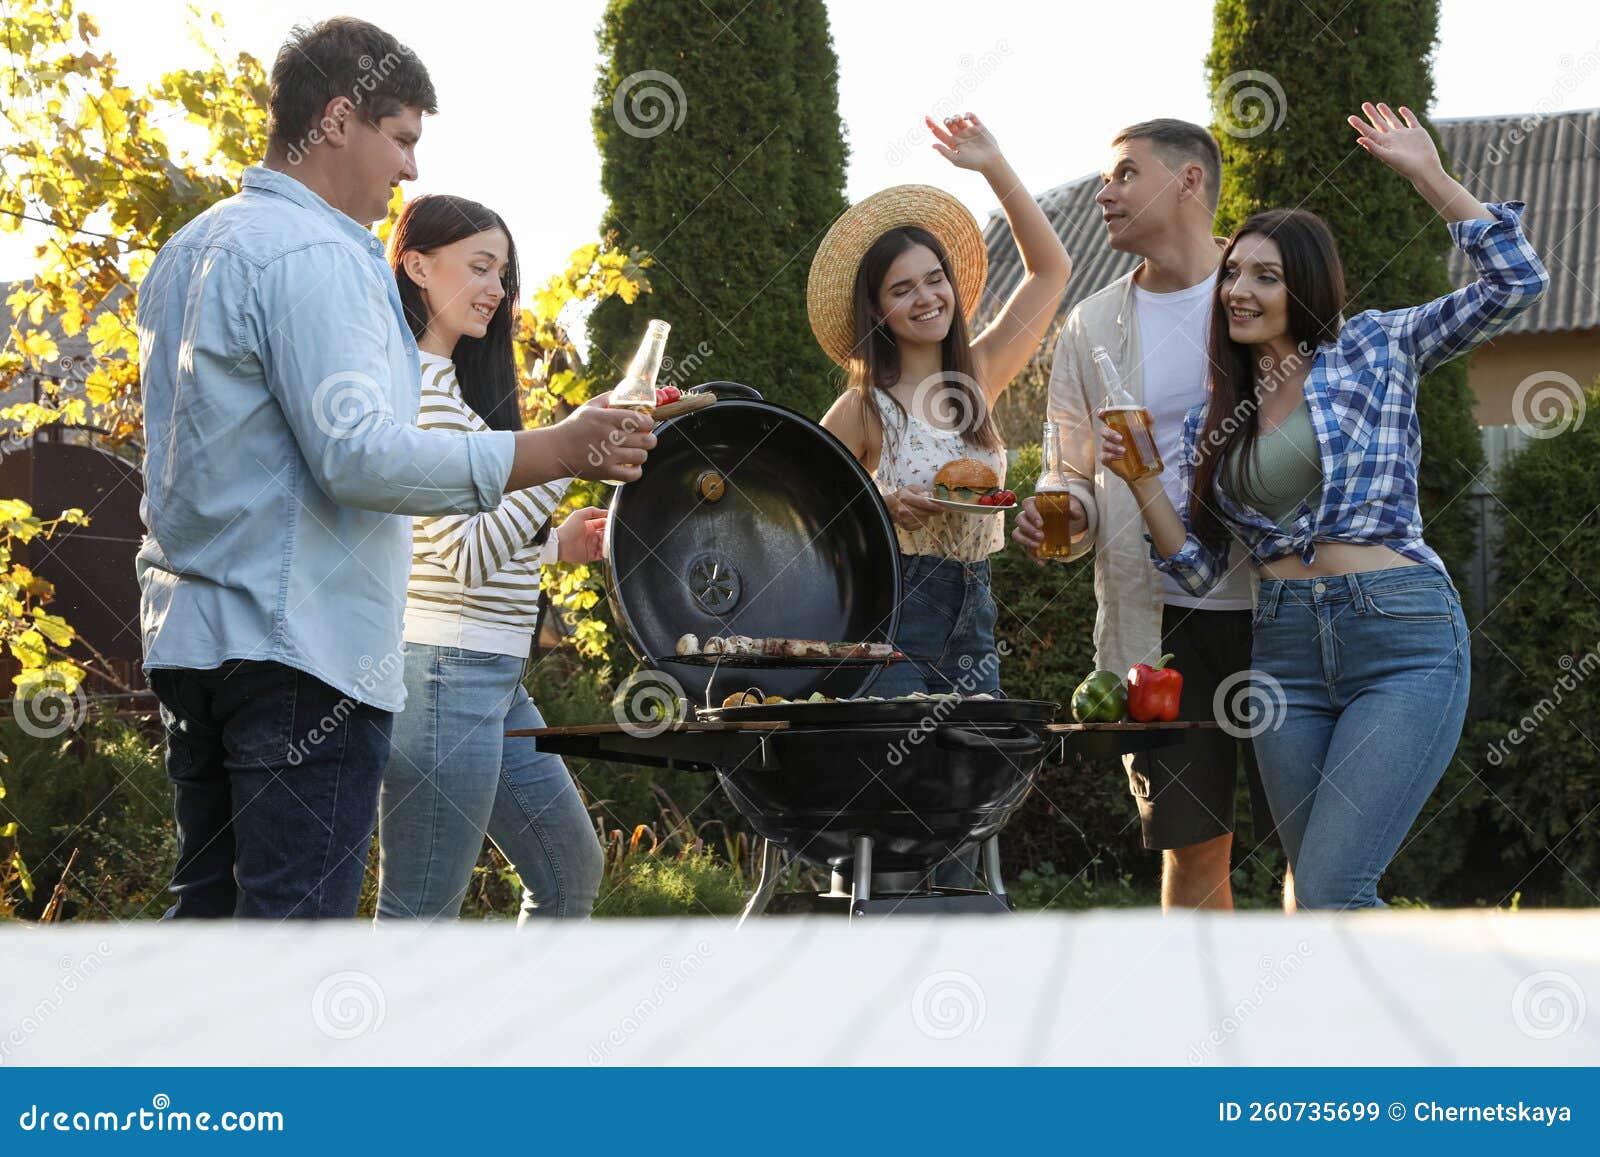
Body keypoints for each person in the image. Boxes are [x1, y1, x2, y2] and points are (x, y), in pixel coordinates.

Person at [135, 18, 652, 920]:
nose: (410, 169)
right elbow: (361, 457)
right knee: (297, 939)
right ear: (339, 119)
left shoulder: (189, 248)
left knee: (212, 930)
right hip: (299, 654)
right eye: (403, 138)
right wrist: (565, 448)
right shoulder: (322, 255)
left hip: (191, 643)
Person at [1103, 102, 1548, 910]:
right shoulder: (1222, 421)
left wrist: (1427, 174)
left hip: (1400, 635)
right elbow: (1200, 568)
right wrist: (1142, 481)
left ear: (1303, 285)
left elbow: (1517, 279)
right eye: (1234, 273)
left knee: (1335, 887)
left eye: (1264, 275)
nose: (1238, 289)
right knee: (1311, 899)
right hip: (1285, 656)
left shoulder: (1376, 346)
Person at [1013, 118, 1279, 912]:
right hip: (1161, 628)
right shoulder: (1092, 325)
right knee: (1193, 858)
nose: (1105, 191)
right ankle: (1197, 1031)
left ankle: (1310, 1030)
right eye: (1106, 177)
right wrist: (1053, 515)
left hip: (1286, 611)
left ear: (1189, 181)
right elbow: (1073, 474)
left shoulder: (1267, 287)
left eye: (1126, 173)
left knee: (1312, 849)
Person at [376, 195, 605, 922]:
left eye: (502, 273)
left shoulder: (450, 391)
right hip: (444, 673)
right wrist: (570, 453)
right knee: (420, 914)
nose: (496, 290)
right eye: (479, 266)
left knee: (570, 874)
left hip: (494, 678)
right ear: (415, 264)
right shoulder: (413, 387)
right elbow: (464, 557)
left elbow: (449, 539)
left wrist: (550, 542)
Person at [813, 113, 1071, 699]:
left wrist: (993, 167)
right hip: (893, 621)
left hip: (976, 621)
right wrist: (879, 500)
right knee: (900, 782)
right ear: (878, 310)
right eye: (902, 290)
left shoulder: (979, 374)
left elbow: (1053, 271)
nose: (926, 298)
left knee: (970, 781)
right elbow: (811, 503)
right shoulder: (864, 406)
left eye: (935, 279)